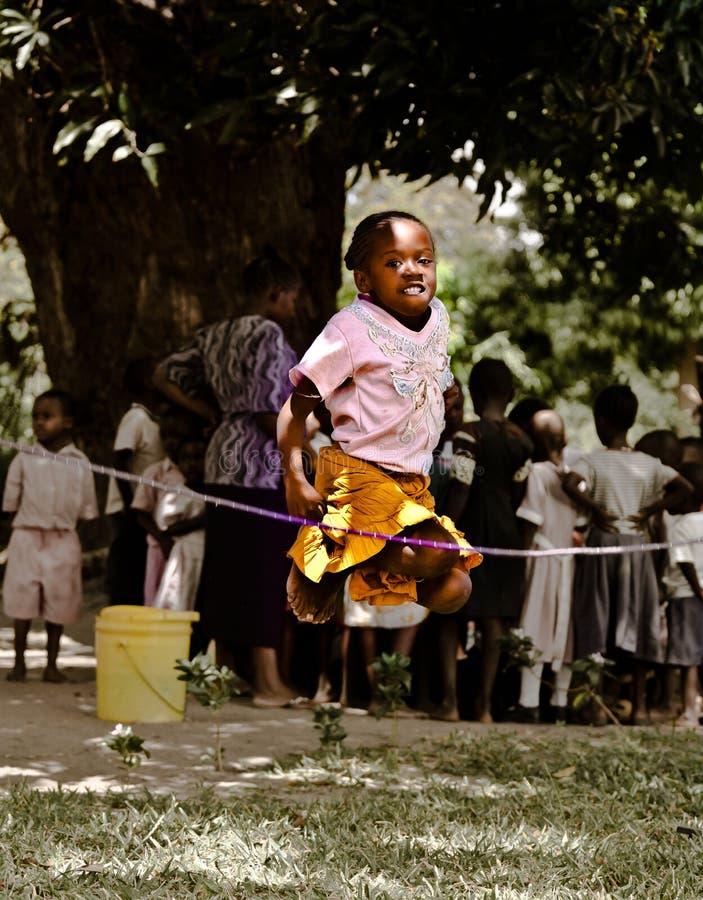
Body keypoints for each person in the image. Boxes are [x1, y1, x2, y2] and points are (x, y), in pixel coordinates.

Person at [278, 210, 482, 629]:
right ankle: (331, 549)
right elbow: (293, 410)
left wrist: (444, 388)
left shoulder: (438, 317)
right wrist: (294, 479)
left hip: (411, 486)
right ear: (364, 280)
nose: (413, 269)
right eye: (393, 262)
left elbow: (422, 369)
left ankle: (354, 558)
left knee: (455, 590)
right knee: (437, 552)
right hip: (359, 476)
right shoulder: (350, 329)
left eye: (423, 260)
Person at [153, 251, 301, 707]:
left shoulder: (213, 333)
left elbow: (164, 374)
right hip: (258, 463)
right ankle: (267, 682)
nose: (294, 308)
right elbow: (265, 411)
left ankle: (227, 673)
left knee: (227, 571)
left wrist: (209, 411)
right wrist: (300, 460)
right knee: (263, 571)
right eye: (292, 298)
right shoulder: (267, 333)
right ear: (275, 293)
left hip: (221, 457)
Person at [568, 384, 693, 725]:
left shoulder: (592, 460)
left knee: (596, 619)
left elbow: (569, 484)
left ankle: (595, 707)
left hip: (602, 544)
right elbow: (685, 488)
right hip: (637, 548)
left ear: (601, 421)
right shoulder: (650, 464)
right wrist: (651, 509)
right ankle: (639, 708)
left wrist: (596, 509)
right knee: (637, 621)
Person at [442, 358, 533, 723]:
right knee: (494, 620)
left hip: (470, 531)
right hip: (506, 535)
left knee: (451, 613)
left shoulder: (467, 435)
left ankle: (450, 704)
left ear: (475, 394)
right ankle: (484, 708)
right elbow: (519, 494)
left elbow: (461, 486)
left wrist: (447, 530)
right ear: (510, 395)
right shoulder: (522, 441)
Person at [2, 390, 98, 682]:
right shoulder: (24, 459)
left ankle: (51, 665)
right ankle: (19, 663)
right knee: (22, 600)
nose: (39, 422)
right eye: (36, 416)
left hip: (64, 539)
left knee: (60, 601)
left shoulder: (80, 462)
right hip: (26, 538)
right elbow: (10, 503)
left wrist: (67, 534)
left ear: (67, 421)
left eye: (47, 416)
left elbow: (87, 509)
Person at [510, 409, 594, 723]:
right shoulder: (575, 478)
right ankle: (559, 702)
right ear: (565, 439)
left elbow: (531, 520)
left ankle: (528, 702)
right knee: (563, 627)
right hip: (568, 562)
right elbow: (581, 523)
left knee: (534, 625)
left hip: (541, 558)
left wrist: (521, 560)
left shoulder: (537, 473)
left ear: (536, 442)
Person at [132, 410, 206, 611]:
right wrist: (163, 540)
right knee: (162, 595)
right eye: (165, 436)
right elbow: (142, 512)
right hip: (160, 547)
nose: (171, 442)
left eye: (177, 436)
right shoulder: (155, 472)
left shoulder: (198, 474)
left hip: (191, 551)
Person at [105, 358, 164, 605]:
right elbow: (119, 460)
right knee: (127, 565)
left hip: (142, 508)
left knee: (140, 567)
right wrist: (131, 506)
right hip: (127, 509)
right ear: (149, 382)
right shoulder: (136, 417)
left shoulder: (152, 419)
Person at [661, 461, 703, 727]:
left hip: (687, 596)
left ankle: (688, 710)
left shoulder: (681, 526)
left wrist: (698, 590)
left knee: (687, 658)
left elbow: (684, 560)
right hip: (696, 595)